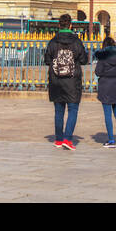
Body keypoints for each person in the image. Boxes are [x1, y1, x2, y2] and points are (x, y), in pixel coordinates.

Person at [44, 13, 89, 149]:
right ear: (70, 25)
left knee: (59, 111)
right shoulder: (76, 42)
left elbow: (47, 60)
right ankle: (68, 139)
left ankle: (58, 139)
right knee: (73, 109)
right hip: (72, 80)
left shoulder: (53, 41)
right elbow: (84, 60)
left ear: (59, 25)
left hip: (56, 80)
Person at [94, 33, 116, 148]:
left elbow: (98, 72)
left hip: (105, 85)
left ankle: (111, 140)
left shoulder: (103, 56)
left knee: (108, 114)